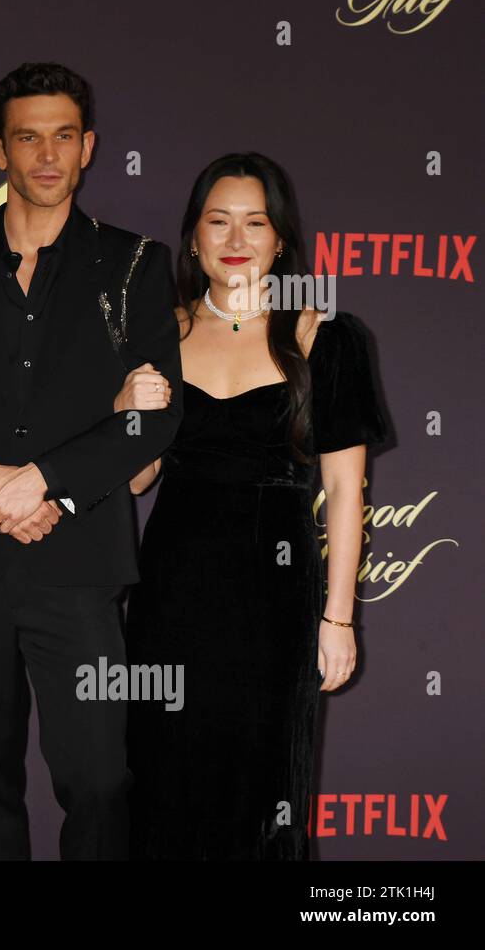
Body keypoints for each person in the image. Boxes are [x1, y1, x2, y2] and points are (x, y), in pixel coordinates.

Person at [0, 62, 183, 860]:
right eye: (28, 137)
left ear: (88, 147)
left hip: (80, 566)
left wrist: (47, 482)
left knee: (99, 781)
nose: (47, 155)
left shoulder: (135, 266)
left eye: (63, 136)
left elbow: (157, 420)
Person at [123, 153, 388, 860]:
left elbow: (344, 493)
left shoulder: (323, 338)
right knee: (164, 774)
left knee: (265, 780)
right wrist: (123, 410)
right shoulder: (161, 333)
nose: (235, 236)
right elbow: (137, 480)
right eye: (218, 220)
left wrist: (338, 618)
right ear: (194, 236)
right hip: (172, 594)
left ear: (280, 239)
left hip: (273, 598)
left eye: (254, 221)